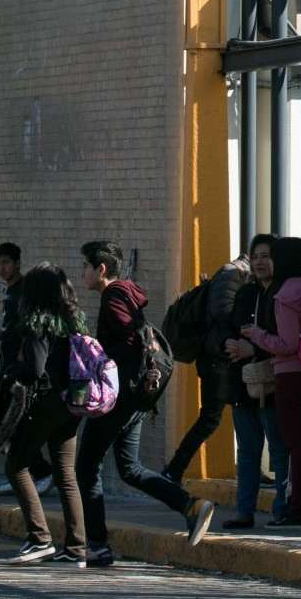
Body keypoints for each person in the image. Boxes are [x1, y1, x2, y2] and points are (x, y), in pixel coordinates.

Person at [74, 240, 216, 565]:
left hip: (119, 397)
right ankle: (191, 506)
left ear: (101, 269)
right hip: (138, 397)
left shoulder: (113, 296)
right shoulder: (127, 293)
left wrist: (98, 356)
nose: (82, 273)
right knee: (130, 468)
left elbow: (130, 338)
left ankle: (97, 544)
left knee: (86, 466)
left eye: (85, 266)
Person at [0, 262, 89, 565]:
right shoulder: (75, 319)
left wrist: (14, 376)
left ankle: (39, 538)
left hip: (47, 402)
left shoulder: (38, 323)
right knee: (66, 474)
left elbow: (34, 370)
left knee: (16, 465)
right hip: (74, 401)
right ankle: (76, 547)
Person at [240, 236, 301, 528]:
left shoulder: (284, 295)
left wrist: (256, 335)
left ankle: (299, 510)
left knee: (296, 446)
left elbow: (287, 343)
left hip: (290, 374)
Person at [220, 234, 289, 529]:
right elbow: (231, 325)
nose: (260, 261)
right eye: (256, 255)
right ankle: (243, 511)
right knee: (247, 452)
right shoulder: (246, 293)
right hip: (243, 383)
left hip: (274, 384)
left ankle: (281, 509)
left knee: (279, 449)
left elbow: (287, 338)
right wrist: (232, 345)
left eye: (267, 255)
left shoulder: (286, 293)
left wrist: (255, 348)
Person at [163, 246, 247, 484]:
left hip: (223, 359)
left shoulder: (237, 273)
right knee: (210, 418)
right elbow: (223, 312)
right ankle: (174, 469)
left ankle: (175, 468)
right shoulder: (234, 274)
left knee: (237, 415)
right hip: (218, 360)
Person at [0, 242, 52, 497]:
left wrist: (16, 358)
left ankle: (38, 471)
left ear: (18, 263)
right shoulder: (10, 291)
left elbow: (25, 328)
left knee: (13, 423)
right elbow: (12, 327)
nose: (2, 268)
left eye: (6, 263)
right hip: (7, 366)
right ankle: (19, 473)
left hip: (18, 370)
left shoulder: (23, 292)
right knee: (4, 422)